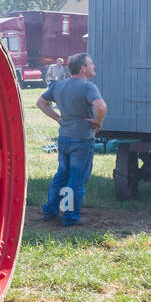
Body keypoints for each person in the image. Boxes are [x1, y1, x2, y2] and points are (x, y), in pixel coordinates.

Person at [37, 52, 107, 227]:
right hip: (82, 139)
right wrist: (99, 121)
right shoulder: (88, 87)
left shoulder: (58, 85)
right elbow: (101, 106)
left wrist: (57, 118)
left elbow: (41, 103)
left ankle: (50, 211)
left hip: (64, 137)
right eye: (91, 64)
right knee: (76, 179)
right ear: (83, 68)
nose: (93, 66)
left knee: (61, 175)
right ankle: (70, 217)